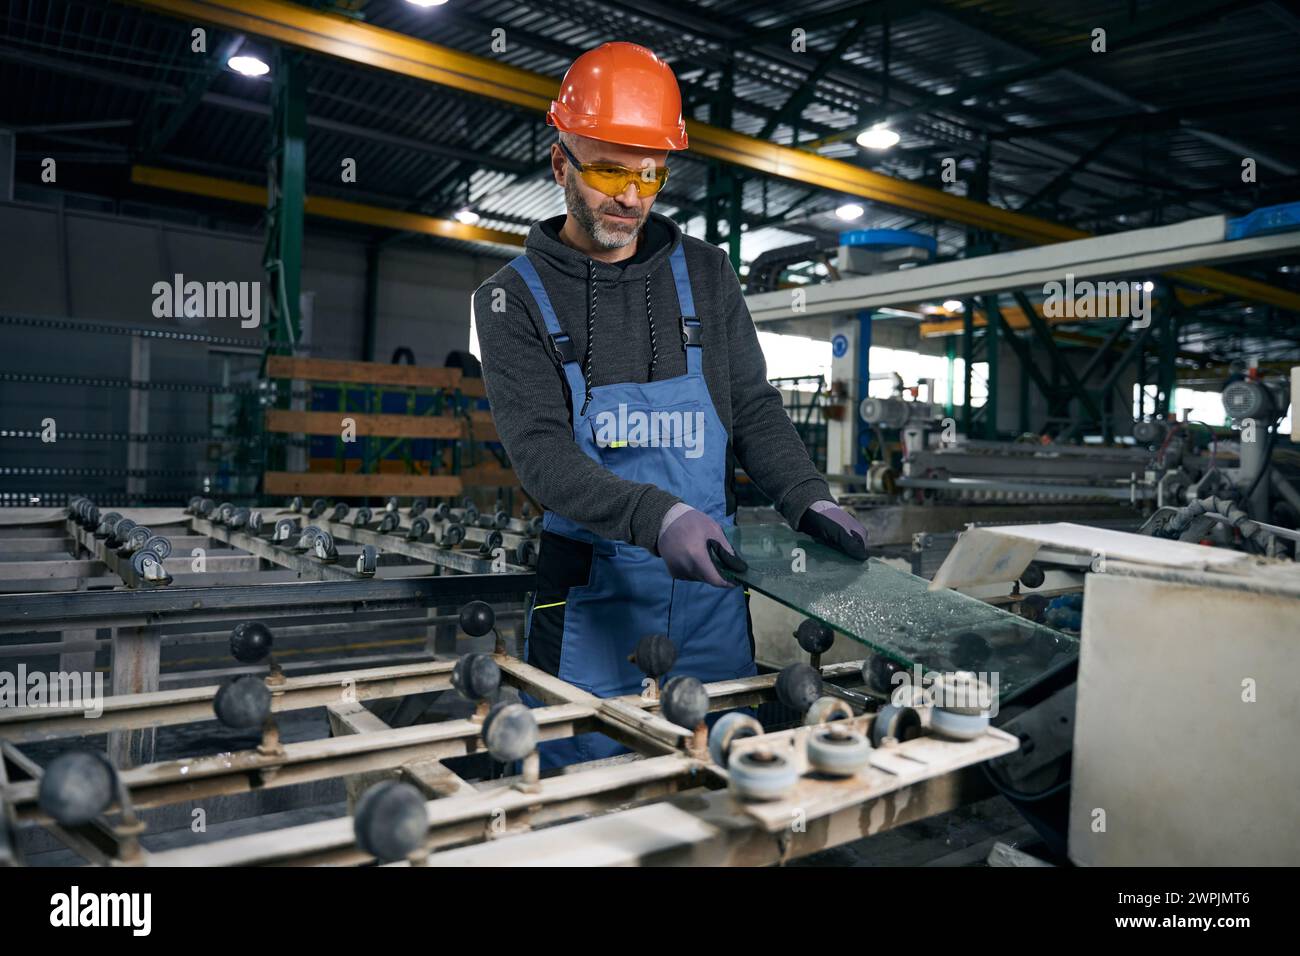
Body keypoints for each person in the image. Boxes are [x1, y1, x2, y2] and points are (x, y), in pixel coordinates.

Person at [471, 41, 868, 766]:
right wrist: (656, 516)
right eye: (608, 170)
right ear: (560, 163)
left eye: (651, 172)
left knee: (720, 781)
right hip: (591, 605)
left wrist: (807, 498)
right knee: (585, 802)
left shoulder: (708, 276)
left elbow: (751, 408)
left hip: (714, 596)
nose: (630, 196)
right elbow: (542, 457)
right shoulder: (510, 298)